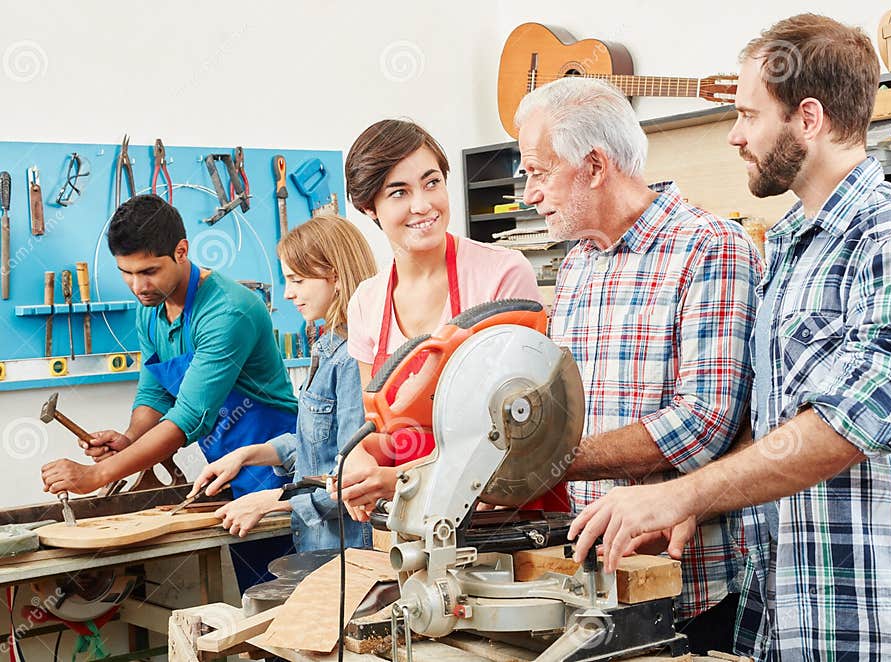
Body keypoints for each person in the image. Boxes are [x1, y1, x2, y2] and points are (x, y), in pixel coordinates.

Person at [568, 14, 891, 661]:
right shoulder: (790, 246)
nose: (736, 136)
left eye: (748, 115)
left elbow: (847, 424)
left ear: (809, 119)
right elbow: (777, 415)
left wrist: (682, 490)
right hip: (791, 621)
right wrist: (703, 499)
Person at [514, 77, 761, 653]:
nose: (529, 193)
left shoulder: (710, 247)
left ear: (595, 165)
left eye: (539, 172)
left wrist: (551, 463)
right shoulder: (577, 265)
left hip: (688, 585)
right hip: (593, 584)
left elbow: (705, 420)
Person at [41, 194, 297, 591]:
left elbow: (187, 419)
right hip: (227, 470)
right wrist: (128, 439)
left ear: (182, 251)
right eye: (126, 272)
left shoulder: (228, 312)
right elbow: (156, 391)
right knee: (258, 596)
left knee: (296, 594)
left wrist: (96, 475)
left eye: (149, 271)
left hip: (279, 468)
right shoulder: (152, 307)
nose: (137, 286)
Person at [336, 119, 569, 516]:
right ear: (368, 208)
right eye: (399, 192)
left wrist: (399, 481)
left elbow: (521, 433)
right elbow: (379, 428)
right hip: (414, 522)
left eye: (431, 183)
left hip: (504, 519)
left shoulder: (502, 274)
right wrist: (357, 460)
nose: (422, 205)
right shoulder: (367, 302)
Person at [188, 215, 377, 552]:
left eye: (297, 280)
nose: (288, 293)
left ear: (334, 276)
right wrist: (245, 455)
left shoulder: (351, 358)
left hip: (349, 553)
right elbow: (316, 445)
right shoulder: (326, 348)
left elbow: (352, 481)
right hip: (318, 544)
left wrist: (273, 499)